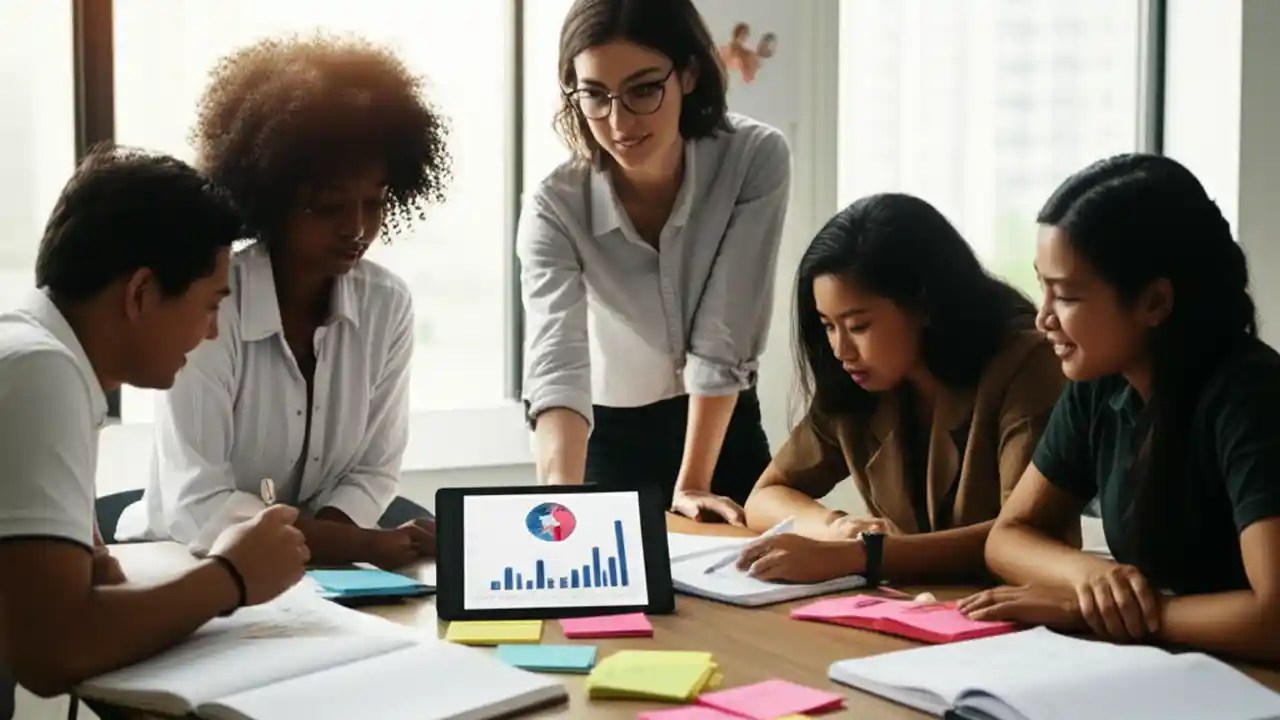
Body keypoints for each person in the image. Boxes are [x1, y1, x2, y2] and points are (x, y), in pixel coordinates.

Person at [128, 36, 451, 569]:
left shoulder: (387, 305)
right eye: (327, 206)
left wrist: (337, 548)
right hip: (180, 566)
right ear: (273, 197)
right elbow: (199, 503)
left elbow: (371, 470)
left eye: (373, 203)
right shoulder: (210, 304)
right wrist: (356, 547)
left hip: (307, 578)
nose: (356, 227)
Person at [0, 147, 308, 706]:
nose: (212, 332)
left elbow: (79, 595)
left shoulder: (33, 353)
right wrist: (232, 577)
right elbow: (50, 651)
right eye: (210, 305)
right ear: (141, 293)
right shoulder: (41, 373)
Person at [959, 154, 1280, 663]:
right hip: (1178, 665)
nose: (1043, 318)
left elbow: (1274, 617)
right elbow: (1008, 537)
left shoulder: (1251, 396)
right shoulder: (1101, 382)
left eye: (1066, 296)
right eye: (1042, 287)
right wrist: (1090, 577)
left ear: (1154, 302)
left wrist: (1099, 611)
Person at [520, 0, 791, 524]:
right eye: (594, 95)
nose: (618, 122)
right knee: (595, 573)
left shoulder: (754, 158)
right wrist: (555, 505)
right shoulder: (555, 206)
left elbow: (725, 328)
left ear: (688, 74)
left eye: (643, 90)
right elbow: (558, 365)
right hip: (611, 436)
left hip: (724, 426)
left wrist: (693, 484)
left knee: (751, 573)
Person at [736, 194, 1064, 584]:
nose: (841, 350)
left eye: (858, 326)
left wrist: (861, 556)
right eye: (828, 326)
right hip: (913, 603)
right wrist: (835, 528)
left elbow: (1024, 538)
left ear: (923, 303)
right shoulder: (859, 381)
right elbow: (765, 496)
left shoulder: (1027, 364)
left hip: (1011, 606)